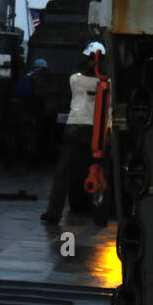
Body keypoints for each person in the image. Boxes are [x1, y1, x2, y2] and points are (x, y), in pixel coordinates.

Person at [42, 44, 102, 224]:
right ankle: (99, 214)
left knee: (63, 173)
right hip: (98, 131)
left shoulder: (75, 79)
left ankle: (54, 213)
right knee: (99, 173)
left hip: (76, 129)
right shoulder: (107, 82)